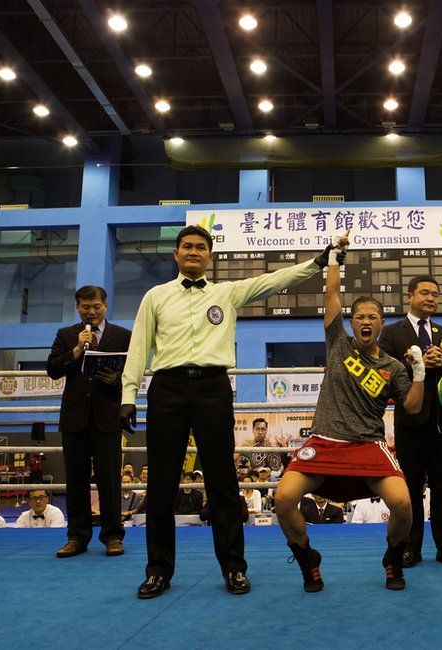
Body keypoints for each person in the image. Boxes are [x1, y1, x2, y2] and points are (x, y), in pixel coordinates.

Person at [122, 224, 333, 599]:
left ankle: (234, 567)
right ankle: (158, 571)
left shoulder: (226, 293)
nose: (193, 251)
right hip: (167, 389)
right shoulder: (155, 296)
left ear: (210, 256)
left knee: (223, 484)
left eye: (200, 247)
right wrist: (127, 395)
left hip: (213, 389)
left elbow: (272, 281)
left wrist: (316, 263)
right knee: (161, 485)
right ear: (176, 253)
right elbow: (138, 347)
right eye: (187, 246)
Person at [273, 232, 426, 593]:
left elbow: (412, 407)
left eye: (372, 316)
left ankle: (393, 557)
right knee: (283, 500)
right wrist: (333, 258)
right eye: (359, 317)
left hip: (367, 445)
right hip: (324, 442)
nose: (365, 321)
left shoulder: (394, 367)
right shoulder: (338, 343)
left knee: (404, 504)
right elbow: (331, 295)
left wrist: (419, 372)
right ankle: (307, 557)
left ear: (381, 323)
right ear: (352, 322)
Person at [379, 275, 442, 568]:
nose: (431, 298)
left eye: (435, 294)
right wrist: (415, 364)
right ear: (410, 296)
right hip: (410, 422)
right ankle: (409, 548)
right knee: (410, 489)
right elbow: (383, 371)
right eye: (425, 293)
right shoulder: (392, 333)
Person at [47, 285, 131, 559]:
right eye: (86, 307)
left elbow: (133, 372)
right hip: (75, 417)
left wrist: (116, 379)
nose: (91, 312)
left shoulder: (123, 335)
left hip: (108, 416)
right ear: (77, 308)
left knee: (110, 479)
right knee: (75, 479)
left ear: (105, 306)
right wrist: (75, 350)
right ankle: (77, 537)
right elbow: (52, 370)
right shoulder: (66, 334)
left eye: (96, 307)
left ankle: (113, 536)